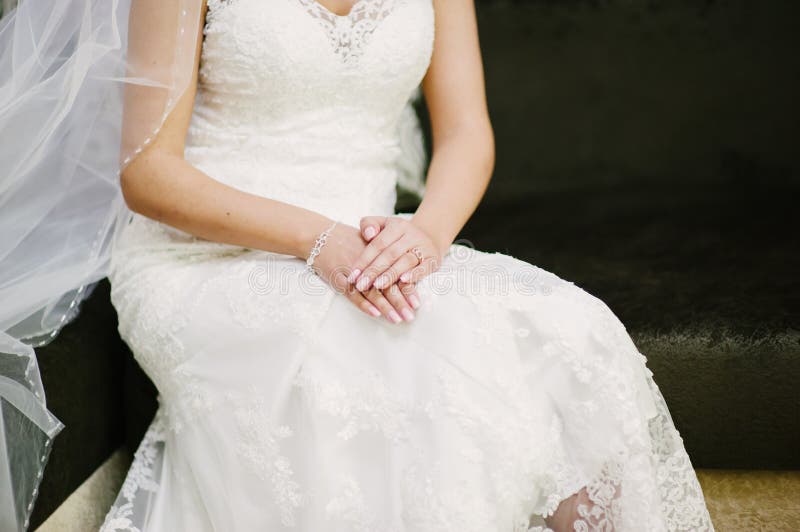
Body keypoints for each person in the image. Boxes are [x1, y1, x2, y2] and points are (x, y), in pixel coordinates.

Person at [5, 0, 712, 530]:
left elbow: (466, 132)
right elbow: (147, 172)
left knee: (573, 327)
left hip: (379, 252)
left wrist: (427, 236)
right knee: (378, 355)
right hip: (209, 256)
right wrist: (318, 241)